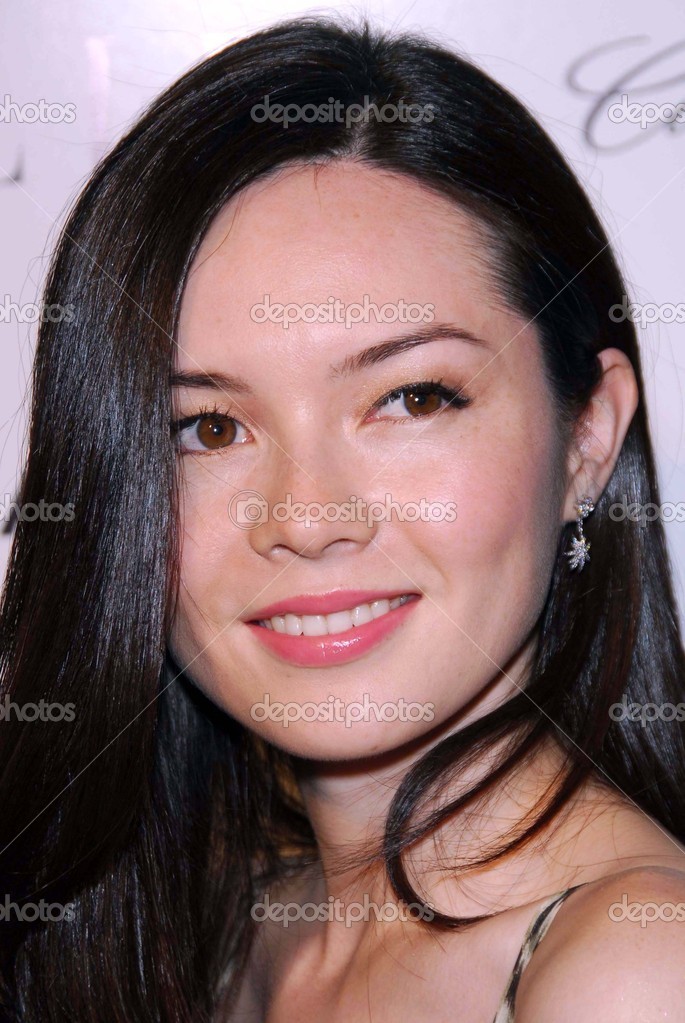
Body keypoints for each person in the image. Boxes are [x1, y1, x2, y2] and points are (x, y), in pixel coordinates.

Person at [1, 16, 684, 1023]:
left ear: (587, 438)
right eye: (209, 426)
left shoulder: (635, 972)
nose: (308, 518)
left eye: (410, 399)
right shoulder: (211, 931)